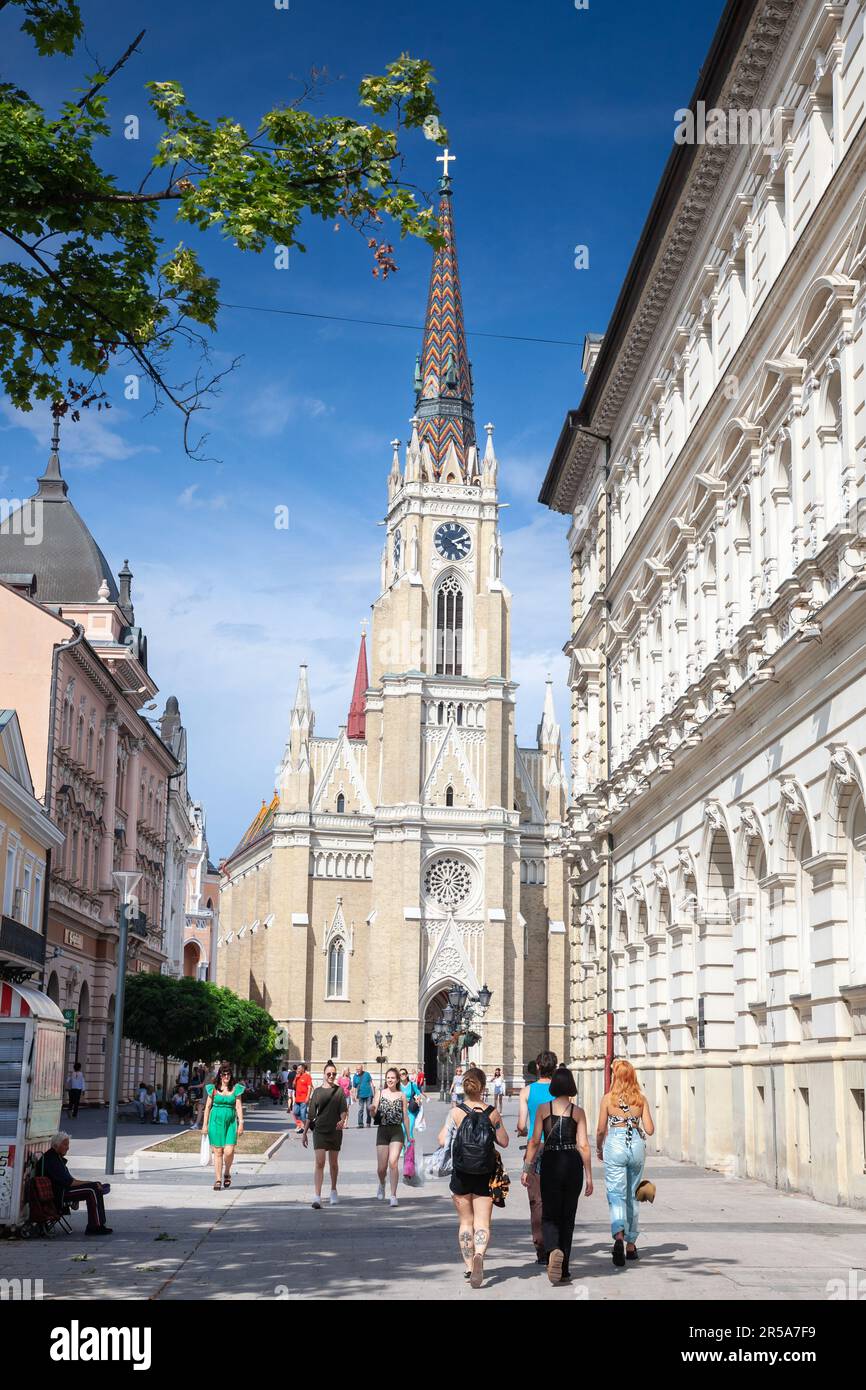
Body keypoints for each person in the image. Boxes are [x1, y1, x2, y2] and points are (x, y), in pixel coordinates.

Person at [523, 1066, 593, 1285]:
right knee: (568, 1217)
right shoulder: (578, 1112)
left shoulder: (544, 1109)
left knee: (550, 1213)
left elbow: (535, 1141)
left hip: (551, 1162)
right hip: (572, 1162)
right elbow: (583, 1145)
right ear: (571, 1086)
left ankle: (553, 1249)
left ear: (554, 1086)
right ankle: (563, 1269)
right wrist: (589, 1176)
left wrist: (527, 1169)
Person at [440, 1067, 508, 1288]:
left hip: (460, 1174)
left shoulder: (456, 1112)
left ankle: (469, 1266)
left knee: (465, 1222)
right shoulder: (492, 1112)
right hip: (485, 1174)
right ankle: (479, 1254)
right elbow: (504, 1141)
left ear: (465, 1087)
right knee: (482, 1223)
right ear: (483, 1088)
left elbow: (442, 1140)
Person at [596, 1059, 655, 1266]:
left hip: (615, 1144)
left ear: (615, 1077)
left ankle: (619, 1235)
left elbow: (601, 1129)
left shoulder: (607, 1099)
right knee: (633, 1194)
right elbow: (649, 1129)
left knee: (616, 1193)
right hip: (636, 1146)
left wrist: (598, 1147)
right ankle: (631, 1245)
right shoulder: (641, 1099)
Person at [517, 1051, 557, 1265]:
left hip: (536, 1147)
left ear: (538, 1067)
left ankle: (541, 1247)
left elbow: (523, 1125)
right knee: (555, 1198)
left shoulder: (527, 1091)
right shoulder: (560, 1092)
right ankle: (555, 1244)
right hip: (558, 1147)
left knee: (537, 1201)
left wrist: (521, 1130)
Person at [38, 1132, 112, 1235]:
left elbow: (69, 1180)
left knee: (95, 1187)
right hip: (60, 1194)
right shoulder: (51, 1160)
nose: (67, 1148)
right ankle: (95, 1226)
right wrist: (91, 1183)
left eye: (68, 1145)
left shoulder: (56, 1157)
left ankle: (99, 1224)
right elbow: (70, 1182)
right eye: (65, 1144)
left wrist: (93, 1183)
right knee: (92, 1189)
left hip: (63, 1190)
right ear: (56, 1145)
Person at [303, 1060, 349, 1208]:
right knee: (320, 1162)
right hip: (320, 1131)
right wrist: (304, 1133)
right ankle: (317, 1196)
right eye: (328, 1073)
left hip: (335, 1130)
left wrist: (342, 1121)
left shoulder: (339, 1091)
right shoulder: (317, 1092)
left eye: (333, 1074)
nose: (331, 1076)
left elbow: (343, 1110)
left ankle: (333, 1190)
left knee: (334, 1163)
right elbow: (310, 1114)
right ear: (324, 1074)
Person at [371, 1067, 412, 1207]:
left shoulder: (402, 1095)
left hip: (396, 1131)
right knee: (381, 1168)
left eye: (393, 1078)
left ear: (397, 1080)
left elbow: (405, 1117)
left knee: (393, 1162)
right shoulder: (380, 1093)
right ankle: (382, 1183)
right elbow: (373, 1112)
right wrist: (371, 1110)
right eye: (388, 1077)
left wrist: (409, 1135)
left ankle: (393, 1195)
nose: (390, 1080)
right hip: (382, 1131)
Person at [202, 1062, 245, 1191]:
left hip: (231, 1122)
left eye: (228, 1074)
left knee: (229, 1151)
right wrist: (204, 1125)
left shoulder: (236, 1088)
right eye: (223, 1074)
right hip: (215, 1122)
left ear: (231, 1076)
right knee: (218, 1151)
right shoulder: (213, 1088)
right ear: (220, 1075)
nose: (226, 1076)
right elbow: (208, 1106)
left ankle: (227, 1171)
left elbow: (238, 1106)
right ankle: (218, 1179)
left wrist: (241, 1123)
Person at [398, 1067, 424, 1143]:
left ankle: (410, 1152)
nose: (402, 1075)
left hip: (411, 1110)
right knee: (402, 1131)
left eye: (403, 1074)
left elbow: (418, 1094)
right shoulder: (398, 1086)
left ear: (406, 1075)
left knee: (409, 1130)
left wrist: (418, 1099)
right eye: (400, 1074)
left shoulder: (412, 1085)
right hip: (401, 1111)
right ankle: (402, 1149)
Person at [292, 1063, 313, 1133]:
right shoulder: (297, 1076)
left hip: (304, 1099)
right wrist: (296, 1078)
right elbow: (293, 1085)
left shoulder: (307, 1076)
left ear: (303, 1069)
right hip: (297, 1098)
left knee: (303, 1114)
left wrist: (308, 1097)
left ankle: (303, 1127)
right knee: (295, 1112)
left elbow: (310, 1088)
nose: (298, 1070)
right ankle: (301, 1125)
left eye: (299, 1068)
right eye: (297, 1068)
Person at [352, 1063, 374, 1128]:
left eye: (359, 1069)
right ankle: (360, 1124)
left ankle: (368, 1122)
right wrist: (353, 1095)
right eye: (357, 1069)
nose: (357, 1070)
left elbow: (371, 1083)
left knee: (368, 1109)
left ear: (362, 1069)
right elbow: (354, 1087)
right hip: (360, 1095)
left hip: (368, 1094)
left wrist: (374, 1093)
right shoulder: (355, 1076)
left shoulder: (367, 1074)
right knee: (360, 1110)